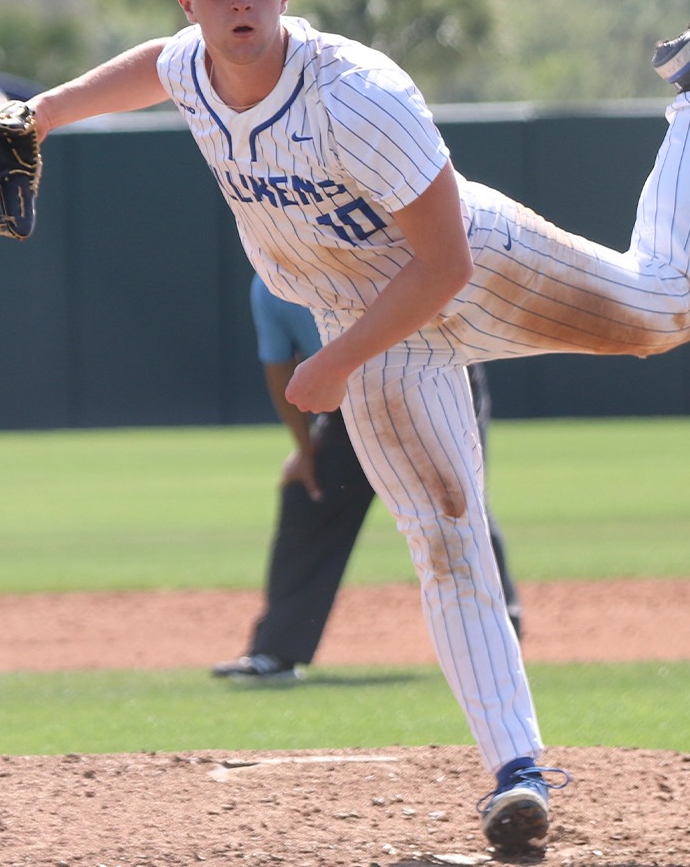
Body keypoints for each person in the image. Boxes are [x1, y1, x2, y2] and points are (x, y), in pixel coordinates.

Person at [24, 0, 690, 853]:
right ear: (192, 6)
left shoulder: (356, 94)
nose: (239, 0)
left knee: (667, 311)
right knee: (446, 536)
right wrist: (36, 115)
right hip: (370, 327)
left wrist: (333, 361)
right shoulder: (192, 70)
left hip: (470, 267)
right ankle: (517, 773)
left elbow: (445, 262)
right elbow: (146, 69)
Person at [214, 274, 522, 684]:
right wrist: (305, 452)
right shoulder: (268, 286)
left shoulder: (360, 259)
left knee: (456, 498)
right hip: (350, 401)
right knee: (312, 494)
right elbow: (279, 368)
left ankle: (501, 628)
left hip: (435, 375)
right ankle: (276, 651)